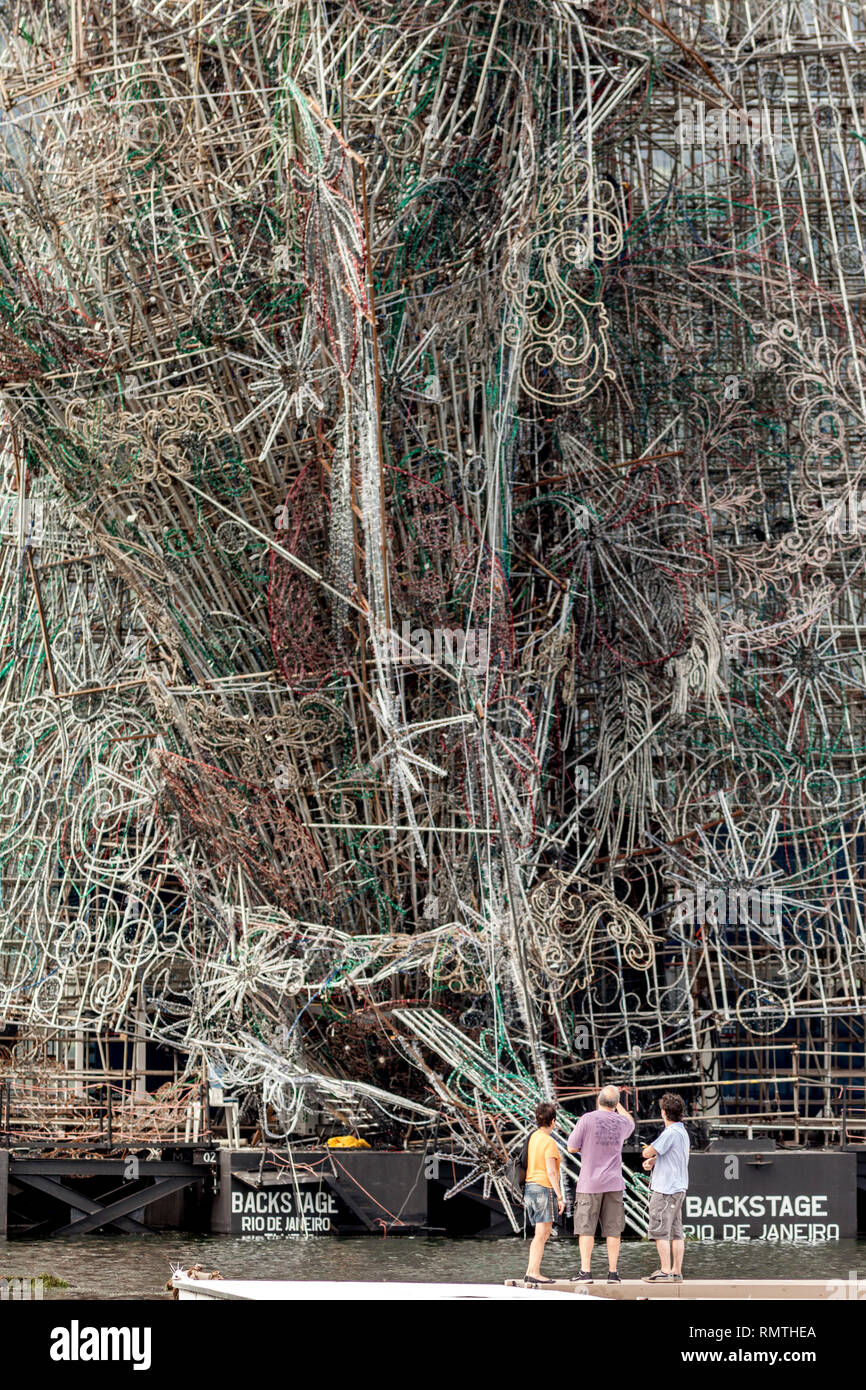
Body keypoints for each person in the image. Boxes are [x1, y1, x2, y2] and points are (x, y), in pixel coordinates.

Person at [566, 1084, 634, 1283]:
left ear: (598, 1100)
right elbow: (631, 1122)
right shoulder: (622, 1122)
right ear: (616, 1104)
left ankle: (586, 1272)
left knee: (586, 1228)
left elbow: (571, 1147)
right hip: (614, 1183)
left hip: (590, 1183)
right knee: (613, 1230)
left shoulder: (587, 1119)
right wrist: (618, 1105)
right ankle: (613, 1273)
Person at [641, 1092, 690, 1283]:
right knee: (677, 1233)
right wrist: (656, 1161)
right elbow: (672, 1155)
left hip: (666, 1190)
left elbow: (647, 1152)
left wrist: (650, 1156)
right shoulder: (682, 1132)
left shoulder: (669, 1133)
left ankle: (665, 1271)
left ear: (663, 1112)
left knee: (659, 1230)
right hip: (679, 1188)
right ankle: (676, 1272)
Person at [523, 1100, 565, 1286]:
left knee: (539, 1233)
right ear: (553, 1121)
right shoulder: (549, 1142)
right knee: (542, 1233)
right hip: (543, 1188)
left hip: (530, 1187)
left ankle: (530, 1271)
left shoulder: (533, 1137)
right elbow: (551, 1172)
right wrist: (560, 1196)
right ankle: (534, 1272)